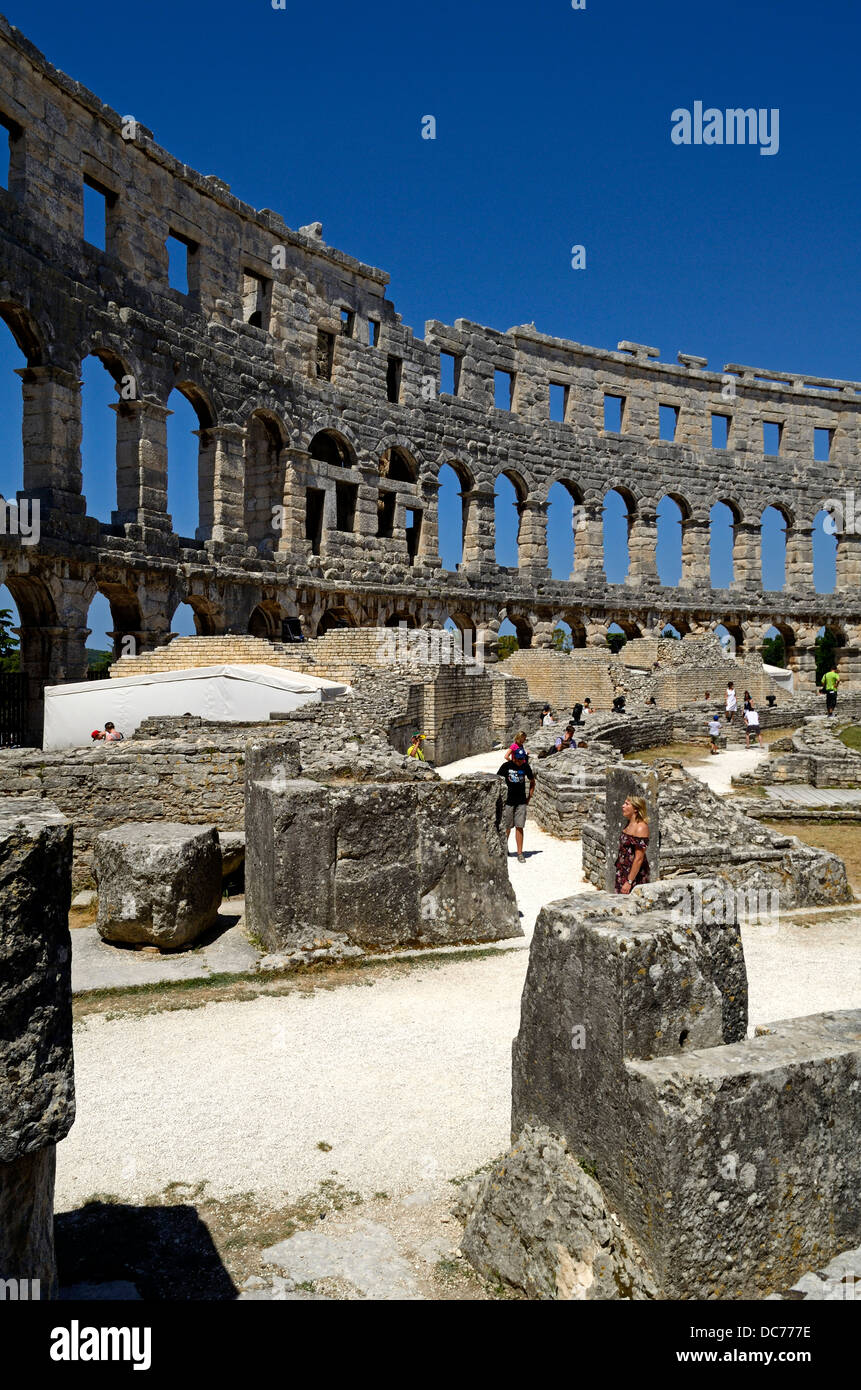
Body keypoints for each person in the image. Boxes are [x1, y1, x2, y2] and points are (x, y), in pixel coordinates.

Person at [496, 747, 535, 863]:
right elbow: (497, 780)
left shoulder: (525, 766)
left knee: (519, 827)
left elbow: (532, 782)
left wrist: (529, 797)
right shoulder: (506, 766)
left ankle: (519, 853)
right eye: (518, 759)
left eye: (522, 759)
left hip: (521, 801)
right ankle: (504, 848)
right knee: (507, 827)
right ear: (513, 757)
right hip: (508, 801)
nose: (520, 761)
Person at [614, 795, 650, 894]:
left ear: (636, 809)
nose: (622, 806)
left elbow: (639, 858)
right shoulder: (629, 823)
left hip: (633, 875)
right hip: (622, 871)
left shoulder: (641, 828)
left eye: (627, 804)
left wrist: (629, 882)